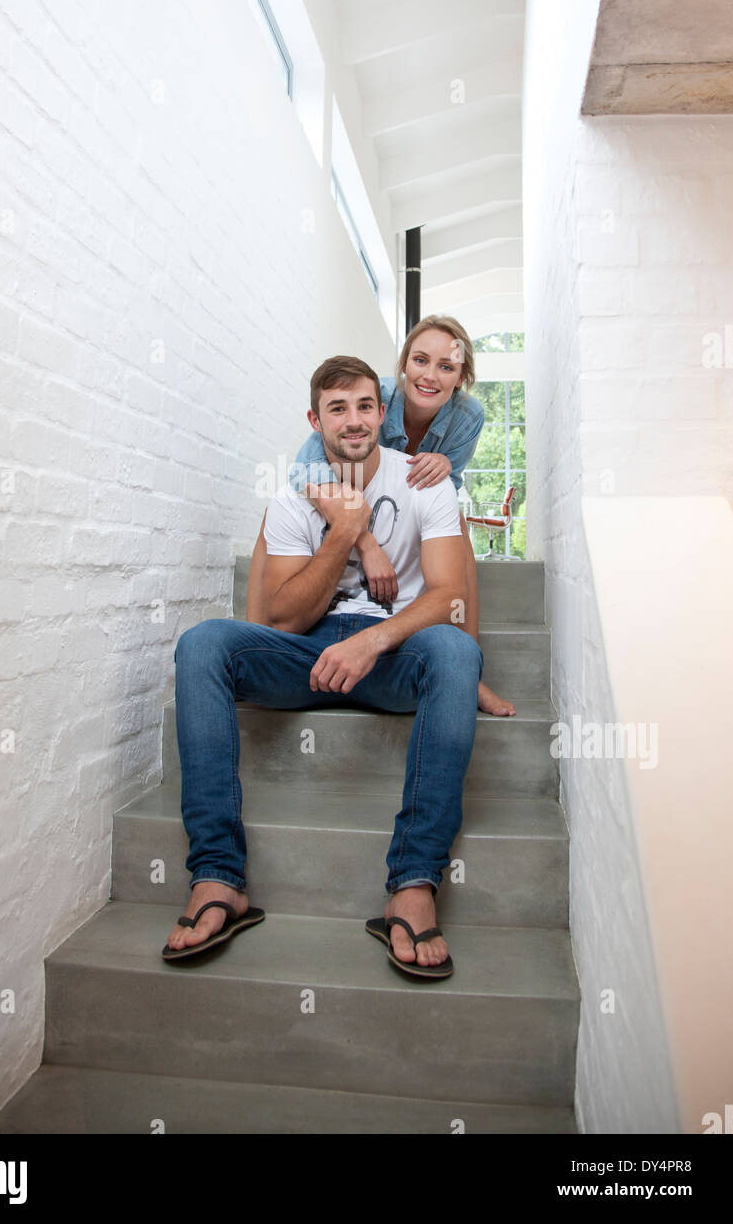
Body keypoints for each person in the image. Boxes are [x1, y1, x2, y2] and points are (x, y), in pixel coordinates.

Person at [163, 356, 484, 979]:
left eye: (365, 405)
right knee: (203, 643)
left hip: (392, 655)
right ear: (316, 420)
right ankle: (218, 877)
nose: (354, 420)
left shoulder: (427, 484)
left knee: (457, 650)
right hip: (306, 654)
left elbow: (448, 594)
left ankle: (414, 880)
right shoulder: (292, 500)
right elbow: (282, 621)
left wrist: (372, 643)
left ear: (382, 412)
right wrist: (345, 532)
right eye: (337, 409)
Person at [244, 315, 515, 716]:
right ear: (403, 365)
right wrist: (366, 543)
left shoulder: (468, 418)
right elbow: (306, 474)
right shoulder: (371, 396)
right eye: (420, 361)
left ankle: (469, 672)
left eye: (447, 367)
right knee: (275, 511)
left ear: (461, 378)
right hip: (342, 488)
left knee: (455, 522)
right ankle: (257, 636)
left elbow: (445, 483)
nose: (430, 375)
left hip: (403, 506)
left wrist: (441, 463)